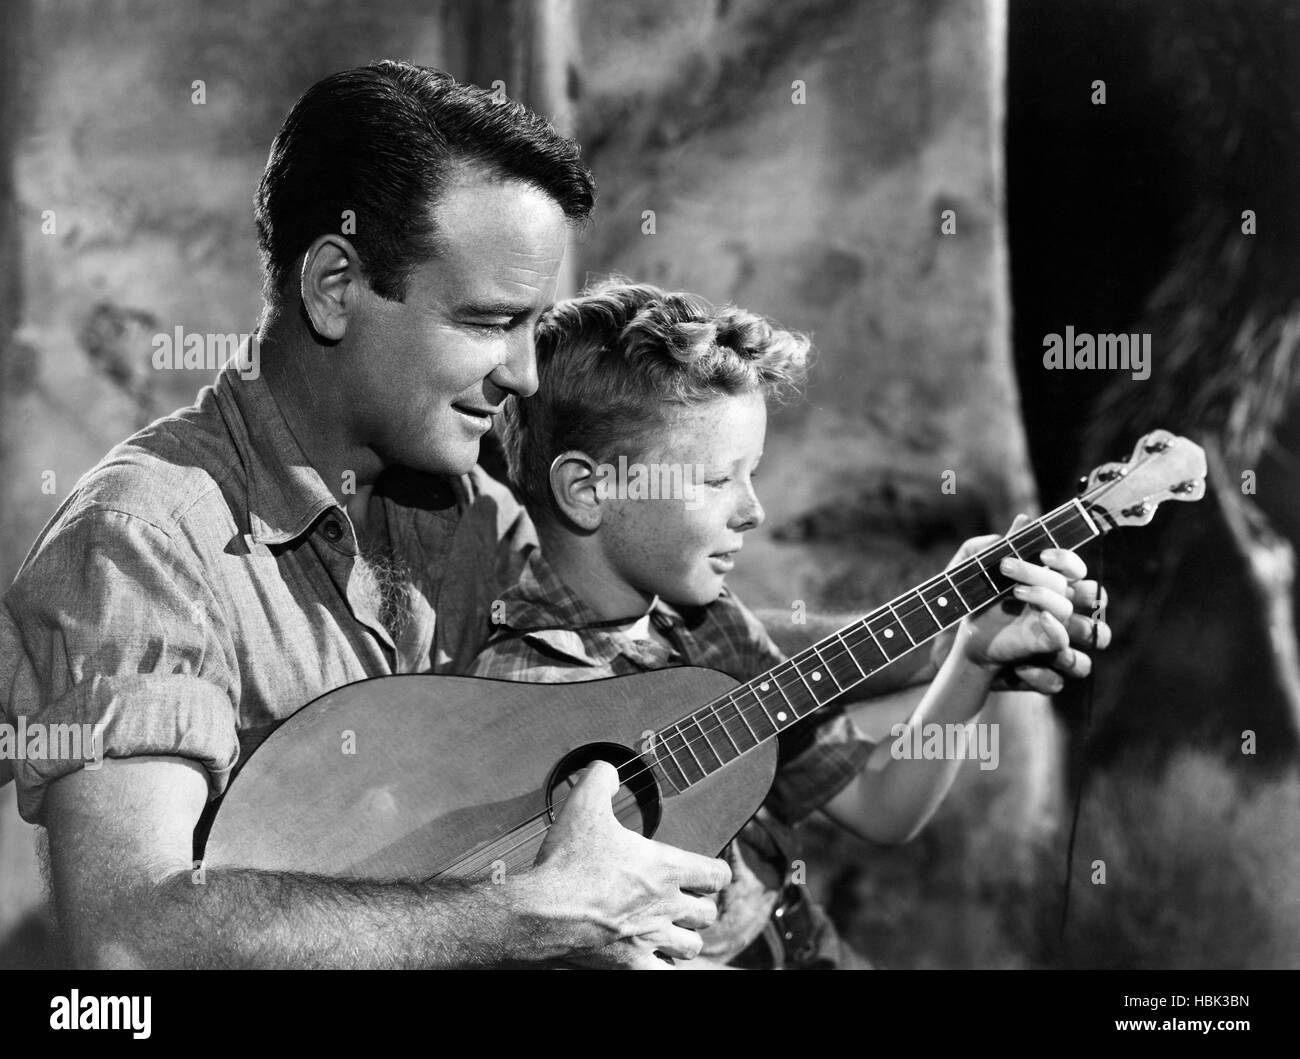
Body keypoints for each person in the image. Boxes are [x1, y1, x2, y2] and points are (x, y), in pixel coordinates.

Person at [0, 60, 1104, 970]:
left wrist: (962, 622)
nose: (526, 375)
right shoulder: (144, 538)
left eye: (537, 328)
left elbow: (674, 658)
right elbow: (127, 946)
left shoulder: (465, 507)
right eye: (490, 322)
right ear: (335, 286)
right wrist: (527, 915)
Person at [466, 280, 1111, 968]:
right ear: (588, 491)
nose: (752, 511)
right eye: (717, 480)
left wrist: (973, 659)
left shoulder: (708, 622)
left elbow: (882, 805)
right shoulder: (522, 702)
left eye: (754, 474)